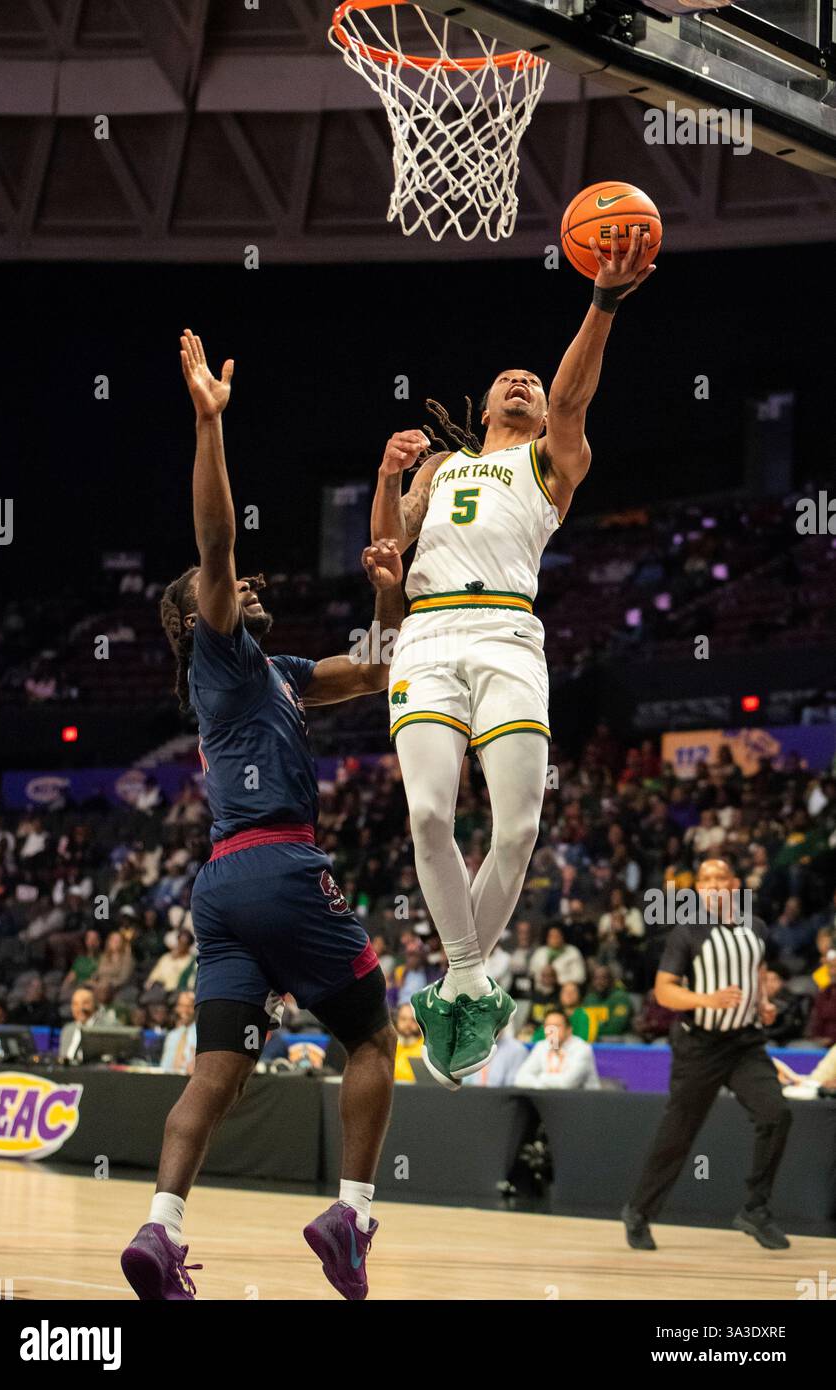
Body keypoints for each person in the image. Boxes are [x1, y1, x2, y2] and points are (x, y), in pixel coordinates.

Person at [121, 329, 401, 1303]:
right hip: (279, 864)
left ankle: (158, 1234)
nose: (250, 584)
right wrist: (208, 425)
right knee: (373, 1037)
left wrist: (387, 576)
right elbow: (214, 541)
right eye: (235, 589)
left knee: (217, 1073)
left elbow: (377, 666)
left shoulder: (272, 675)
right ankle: (351, 1213)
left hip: (223, 889)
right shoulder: (219, 653)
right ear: (198, 612)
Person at [369, 229, 655, 1088]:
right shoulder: (445, 464)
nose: (524, 383)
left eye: (532, 379)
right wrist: (387, 483)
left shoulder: (549, 460)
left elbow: (571, 399)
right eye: (509, 380)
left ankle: (458, 976)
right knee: (427, 816)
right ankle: (470, 981)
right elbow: (389, 549)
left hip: (507, 636)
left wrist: (602, 301)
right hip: (427, 633)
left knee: (521, 828)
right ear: (486, 404)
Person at [622, 858, 792, 1253]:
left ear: (734, 884)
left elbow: (756, 972)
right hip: (699, 1045)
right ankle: (639, 1212)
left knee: (777, 1114)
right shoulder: (687, 932)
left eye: (721, 878)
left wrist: (763, 1003)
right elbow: (665, 990)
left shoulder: (757, 927)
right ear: (698, 889)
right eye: (707, 879)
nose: (715, 884)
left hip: (745, 1043)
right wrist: (706, 1000)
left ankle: (755, 1208)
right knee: (680, 1131)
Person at [514, 1009, 600, 1091]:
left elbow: (567, 1084)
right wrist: (541, 1084)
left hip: (584, 1102)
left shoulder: (582, 1049)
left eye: (557, 1026)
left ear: (569, 1030)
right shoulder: (541, 1046)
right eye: (548, 1026)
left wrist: (541, 1077)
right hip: (551, 1101)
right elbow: (520, 1078)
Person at [159, 992, 197, 1076]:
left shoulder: (201, 1034)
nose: (184, 1011)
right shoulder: (172, 1036)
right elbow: (164, 1066)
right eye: (181, 1006)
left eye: (189, 1006)